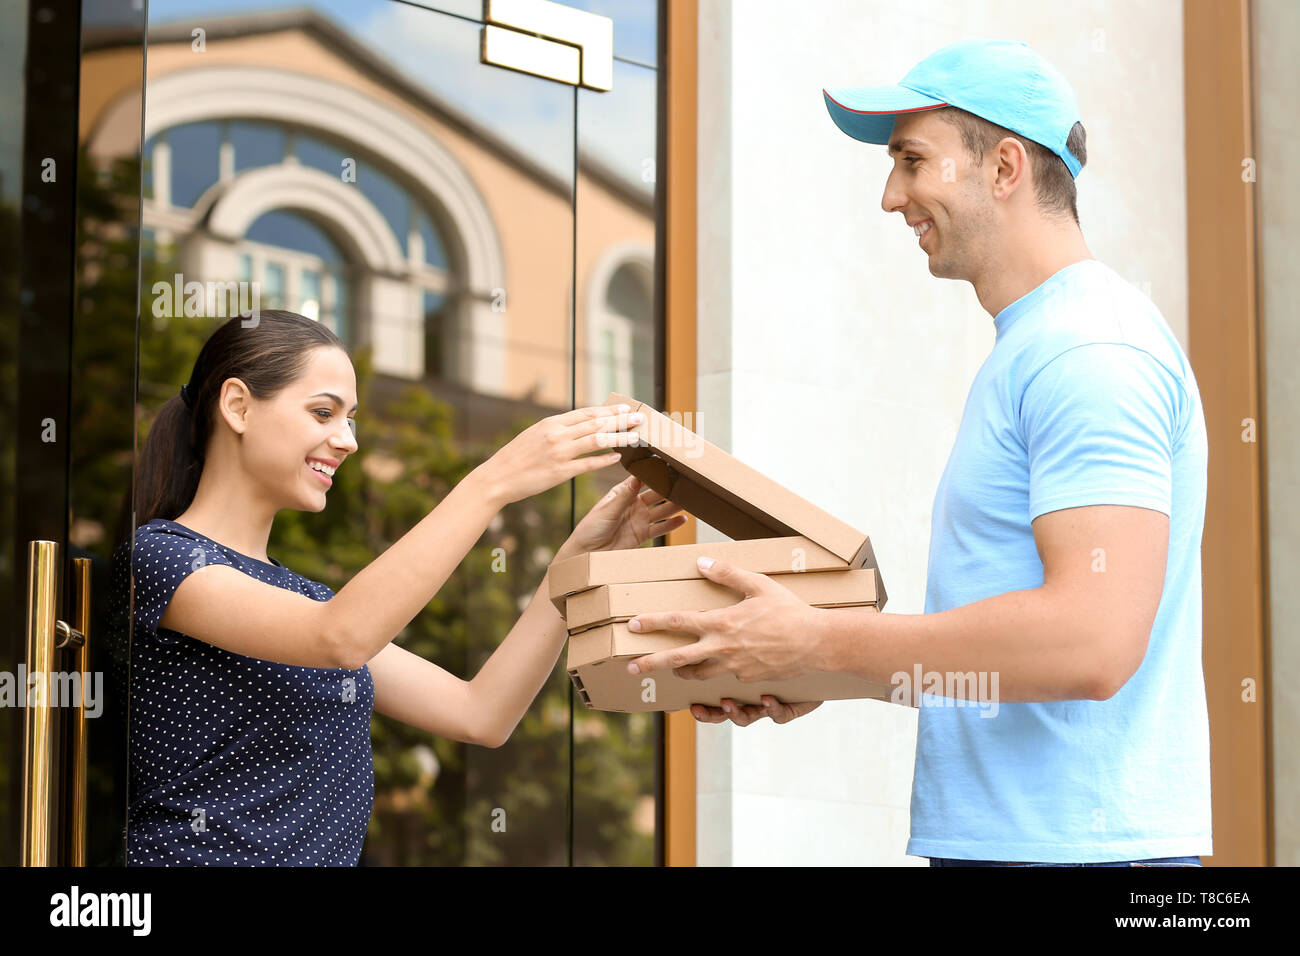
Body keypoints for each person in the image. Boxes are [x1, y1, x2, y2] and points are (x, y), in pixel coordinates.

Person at [622, 39, 1209, 867]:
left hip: (1079, 854)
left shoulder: (1090, 350)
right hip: (1024, 846)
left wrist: (821, 646)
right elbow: (1009, 661)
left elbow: (1092, 642)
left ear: (1004, 166)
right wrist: (816, 669)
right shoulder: (1038, 343)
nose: (892, 196)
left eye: (911, 160)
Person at [119, 309, 684, 865]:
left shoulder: (308, 600)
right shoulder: (162, 557)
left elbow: (480, 714)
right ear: (238, 406)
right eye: (323, 412)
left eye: (351, 419)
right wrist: (492, 482)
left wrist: (575, 567)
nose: (347, 441)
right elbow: (340, 637)